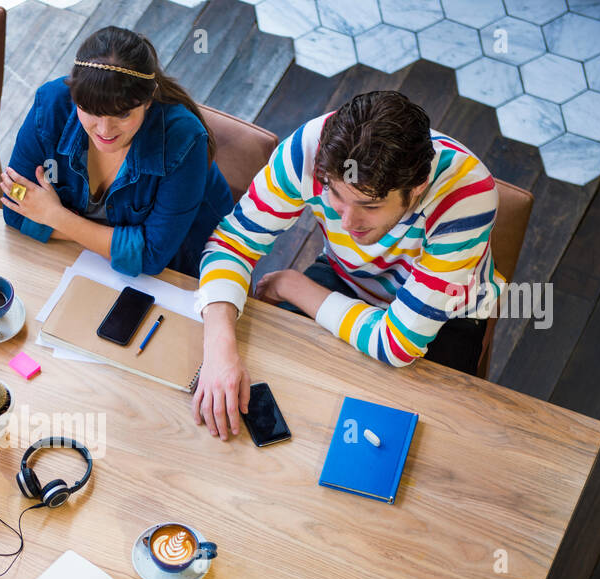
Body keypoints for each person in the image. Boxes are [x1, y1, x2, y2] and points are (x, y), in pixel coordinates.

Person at [193, 91, 502, 439]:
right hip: (347, 279)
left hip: (447, 318)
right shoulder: (311, 149)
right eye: (334, 195)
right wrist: (218, 350)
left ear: (418, 188)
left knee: (424, 443)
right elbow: (232, 242)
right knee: (277, 404)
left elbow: (397, 344)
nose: (348, 222)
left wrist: (292, 285)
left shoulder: (467, 193)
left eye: (369, 206)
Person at [0, 26, 233, 278]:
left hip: (182, 271)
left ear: (148, 100)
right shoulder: (50, 104)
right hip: (88, 265)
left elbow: (152, 257)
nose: (104, 130)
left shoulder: (184, 140)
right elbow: (15, 210)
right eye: (89, 110)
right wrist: (119, 245)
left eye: (122, 114)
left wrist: (54, 216)